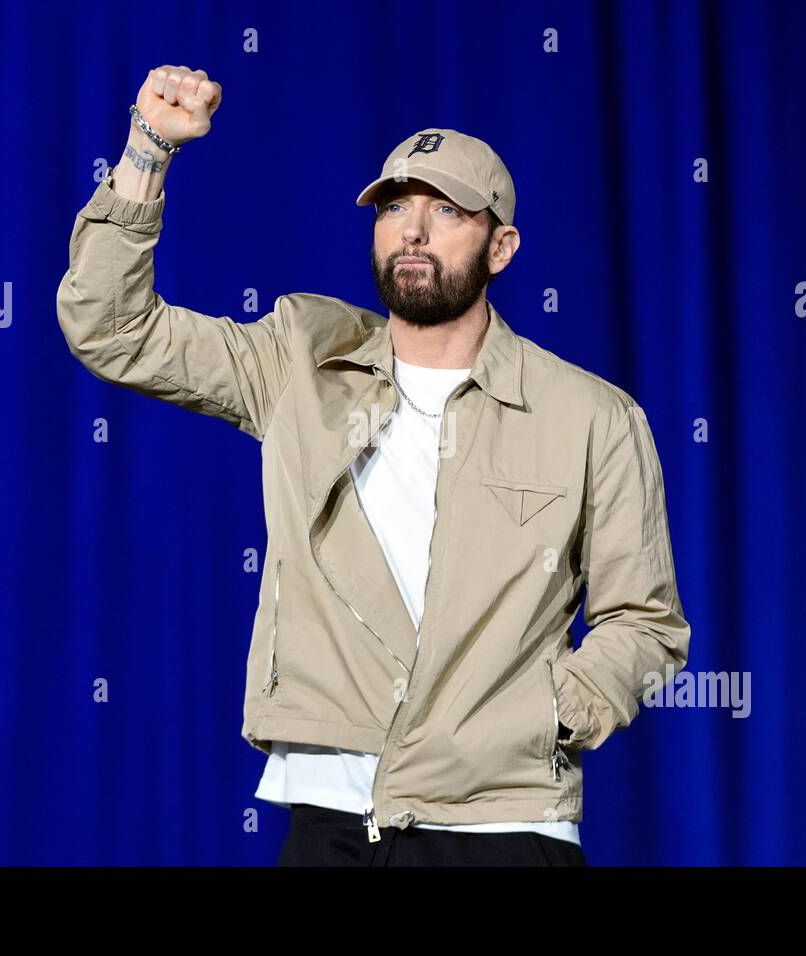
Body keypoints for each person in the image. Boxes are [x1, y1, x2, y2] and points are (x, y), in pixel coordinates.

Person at [57, 64, 692, 867]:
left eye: (447, 211)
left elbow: (647, 622)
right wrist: (148, 148)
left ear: (501, 247)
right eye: (395, 209)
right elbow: (111, 330)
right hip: (329, 822)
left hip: (503, 827)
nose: (413, 232)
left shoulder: (593, 417)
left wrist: (550, 714)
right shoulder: (296, 360)